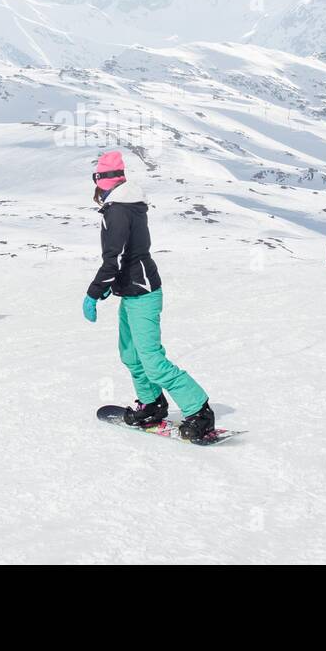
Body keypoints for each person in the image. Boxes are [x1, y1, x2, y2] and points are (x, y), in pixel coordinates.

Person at [81, 151, 214, 440]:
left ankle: (200, 410)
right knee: (131, 354)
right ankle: (151, 404)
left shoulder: (118, 209)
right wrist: (109, 285)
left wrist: (93, 291)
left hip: (142, 292)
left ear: (103, 182)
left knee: (151, 360)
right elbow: (124, 256)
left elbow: (113, 259)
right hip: (131, 290)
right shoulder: (126, 205)